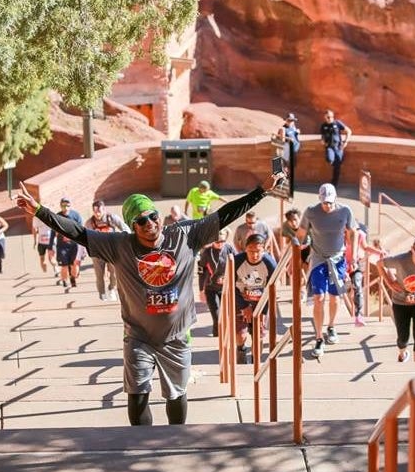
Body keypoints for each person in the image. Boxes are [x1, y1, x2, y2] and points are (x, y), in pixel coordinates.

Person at [15, 174, 282, 426]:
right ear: (132, 226)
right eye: (141, 221)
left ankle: (174, 443)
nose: (150, 224)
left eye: (153, 216)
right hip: (139, 336)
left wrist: (262, 190)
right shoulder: (119, 245)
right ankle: (140, 444)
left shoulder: (185, 235)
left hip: (176, 336)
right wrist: (39, 210)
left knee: (176, 394)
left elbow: (224, 215)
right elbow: (78, 233)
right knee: (137, 392)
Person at [297, 183, 356, 357]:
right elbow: (301, 233)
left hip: (338, 259)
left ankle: (331, 326)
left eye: (330, 202)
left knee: (334, 297)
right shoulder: (311, 212)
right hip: (318, 259)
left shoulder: (345, 211)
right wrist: (295, 249)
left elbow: (352, 232)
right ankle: (318, 337)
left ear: (335, 199)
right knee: (318, 298)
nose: (327, 205)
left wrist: (353, 257)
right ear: (319, 199)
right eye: (324, 202)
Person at [377, 236, 415, 361]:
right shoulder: (401, 260)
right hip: (401, 303)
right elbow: (379, 263)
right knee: (403, 337)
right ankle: (402, 354)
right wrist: (390, 282)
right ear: (412, 249)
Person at [233, 233, 277, 364]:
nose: (254, 255)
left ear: (264, 249)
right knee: (241, 334)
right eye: (251, 251)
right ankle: (241, 349)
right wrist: (244, 306)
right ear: (245, 249)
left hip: (261, 301)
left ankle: (255, 360)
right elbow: (230, 286)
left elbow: (272, 290)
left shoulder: (269, 264)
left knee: (259, 334)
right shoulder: (237, 261)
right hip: (241, 299)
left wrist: (264, 312)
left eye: (258, 251)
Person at [85, 200, 130, 301]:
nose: (97, 214)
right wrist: (85, 250)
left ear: (104, 209)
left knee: (114, 273)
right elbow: (84, 237)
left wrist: (128, 239)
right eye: (95, 211)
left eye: (99, 211)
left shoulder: (111, 218)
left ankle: (112, 289)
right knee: (99, 275)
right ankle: (102, 293)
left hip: (111, 251)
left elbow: (124, 227)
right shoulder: (90, 222)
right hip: (97, 253)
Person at [198, 228, 236, 337]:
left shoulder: (229, 248)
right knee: (216, 314)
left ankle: (227, 334)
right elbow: (201, 272)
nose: (220, 244)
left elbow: (237, 264)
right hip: (211, 288)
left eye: (222, 241)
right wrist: (201, 290)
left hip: (227, 287)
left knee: (229, 313)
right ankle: (217, 335)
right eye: (217, 242)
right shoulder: (206, 252)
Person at [344, 223, 384, 327]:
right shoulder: (339, 235)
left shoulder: (360, 234)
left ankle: (359, 315)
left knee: (358, 286)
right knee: (339, 289)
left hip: (355, 264)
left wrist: (379, 252)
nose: (354, 232)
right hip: (341, 264)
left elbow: (365, 247)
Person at [319, 109, 352, 187]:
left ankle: (334, 183)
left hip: (338, 147)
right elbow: (323, 136)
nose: (330, 118)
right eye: (328, 117)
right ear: (325, 117)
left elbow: (349, 131)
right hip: (329, 147)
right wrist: (322, 141)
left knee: (338, 165)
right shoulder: (323, 126)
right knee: (330, 159)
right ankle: (333, 162)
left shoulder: (337, 123)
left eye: (331, 117)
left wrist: (346, 142)